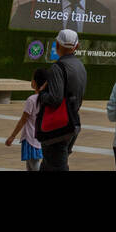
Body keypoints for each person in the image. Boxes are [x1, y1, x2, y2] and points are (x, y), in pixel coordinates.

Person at [38, 29, 87, 171]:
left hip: (57, 128)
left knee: (56, 165)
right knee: (49, 164)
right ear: (76, 47)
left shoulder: (57, 68)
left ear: (57, 44)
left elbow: (55, 99)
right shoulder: (80, 66)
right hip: (73, 123)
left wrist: (41, 94)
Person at [5, 68, 47, 170]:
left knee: (33, 164)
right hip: (40, 138)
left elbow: (23, 120)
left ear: (35, 82)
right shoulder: (46, 98)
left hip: (30, 138)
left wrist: (12, 136)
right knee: (30, 165)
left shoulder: (31, 100)